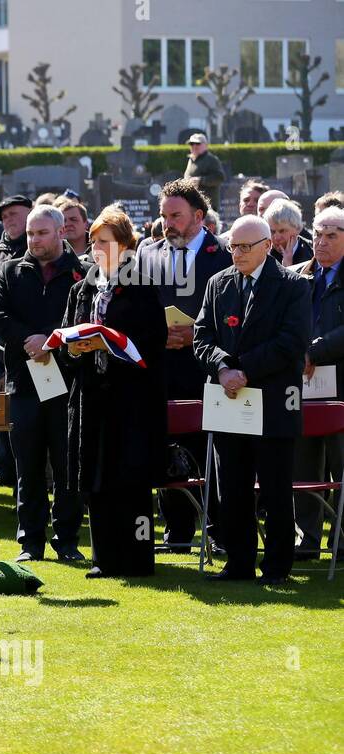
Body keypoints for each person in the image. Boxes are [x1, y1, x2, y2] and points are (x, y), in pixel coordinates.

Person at [193, 215, 311, 584]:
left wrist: (243, 369)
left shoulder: (293, 285)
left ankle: (277, 567)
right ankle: (239, 563)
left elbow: (291, 341)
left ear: (267, 246)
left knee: (275, 489)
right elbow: (201, 337)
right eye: (233, 247)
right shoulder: (218, 283)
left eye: (245, 247)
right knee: (233, 487)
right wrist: (223, 369)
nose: (238, 253)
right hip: (229, 401)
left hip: (273, 399)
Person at [61, 207, 167, 578]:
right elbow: (66, 339)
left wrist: (110, 347)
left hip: (131, 399)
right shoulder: (83, 287)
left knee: (131, 481)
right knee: (97, 479)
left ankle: (137, 559)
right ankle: (103, 558)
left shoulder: (142, 285)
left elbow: (154, 341)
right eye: (92, 242)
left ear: (124, 245)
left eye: (103, 241)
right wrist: (75, 348)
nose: (96, 248)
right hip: (91, 397)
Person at [136, 178, 232, 552]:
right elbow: (139, 309)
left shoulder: (223, 255)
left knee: (213, 455)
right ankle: (176, 532)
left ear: (199, 216)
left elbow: (239, 312)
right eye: (163, 216)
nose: (167, 223)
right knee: (165, 449)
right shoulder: (147, 253)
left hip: (209, 373)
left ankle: (219, 532)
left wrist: (198, 335)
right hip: (161, 372)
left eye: (175, 216)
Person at [0, 204, 88, 562]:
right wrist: (28, 339)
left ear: (61, 232)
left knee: (66, 468)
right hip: (24, 384)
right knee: (26, 468)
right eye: (30, 233)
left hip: (68, 386)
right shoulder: (11, 271)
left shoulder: (82, 272)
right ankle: (30, 543)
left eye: (41, 233)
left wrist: (52, 341)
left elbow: (87, 322)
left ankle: (67, 541)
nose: (34, 239)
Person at [289, 206, 344, 559]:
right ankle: (306, 539)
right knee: (302, 465)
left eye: (332, 236)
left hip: (341, 386)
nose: (321, 242)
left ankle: (341, 542)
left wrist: (316, 350)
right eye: (317, 235)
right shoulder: (297, 276)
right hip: (303, 386)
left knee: (342, 467)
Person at [0, 194, 33, 280]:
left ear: (30, 214)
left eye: (13, 214)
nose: (8, 219)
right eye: (4, 217)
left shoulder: (38, 245)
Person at [265, 198, 314, 267]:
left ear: (298, 228)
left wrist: (288, 268)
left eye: (282, 231)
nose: (277, 237)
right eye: (272, 231)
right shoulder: (263, 255)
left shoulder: (313, 253)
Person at [183, 133, 225, 204]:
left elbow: (220, 177)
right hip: (193, 203)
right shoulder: (191, 159)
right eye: (191, 144)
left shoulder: (211, 159)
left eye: (197, 143)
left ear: (205, 145)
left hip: (208, 206)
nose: (194, 146)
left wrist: (200, 180)